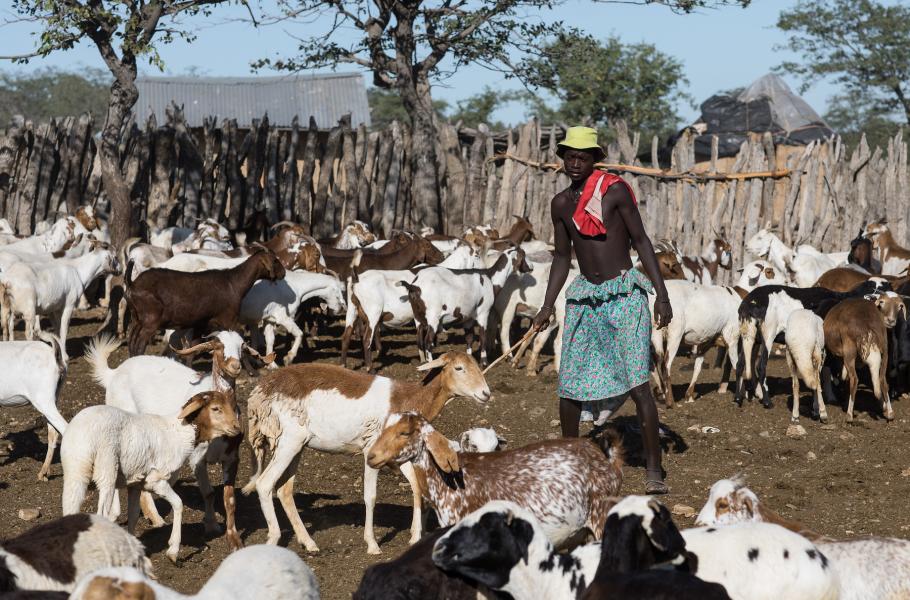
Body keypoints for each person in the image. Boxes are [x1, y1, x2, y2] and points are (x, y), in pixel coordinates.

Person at [532, 126, 673, 494]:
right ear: (562, 159)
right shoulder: (561, 204)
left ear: (595, 158)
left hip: (625, 295)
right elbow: (562, 257)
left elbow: (641, 241)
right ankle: (570, 461)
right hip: (586, 297)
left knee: (638, 384)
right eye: (570, 156)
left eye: (583, 157)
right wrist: (546, 305)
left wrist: (661, 295)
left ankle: (654, 470)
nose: (576, 163)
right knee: (569, 384)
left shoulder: (614, 191)